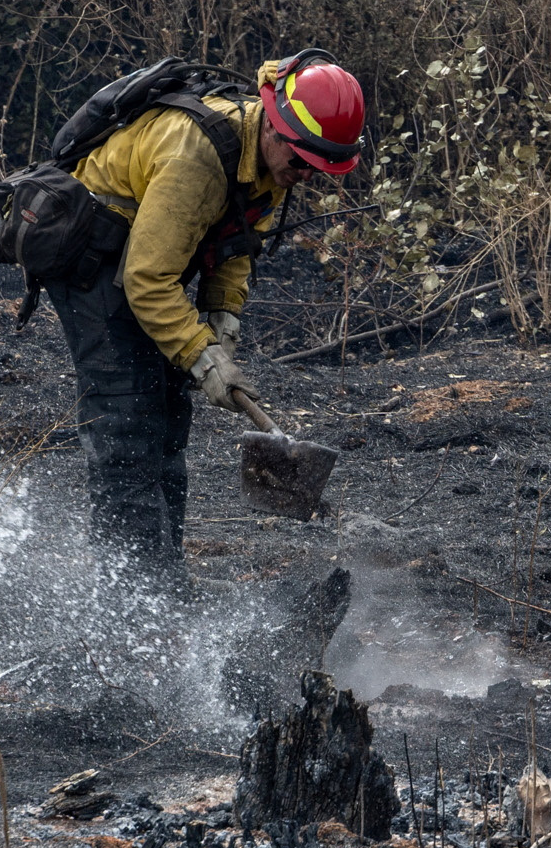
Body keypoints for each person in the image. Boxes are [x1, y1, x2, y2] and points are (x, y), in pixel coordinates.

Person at [47, 50, 364, 581]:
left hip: (148, 261)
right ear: (276, 127)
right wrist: (202, 356)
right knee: (127, 425)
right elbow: (146, 280)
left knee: (169, 420)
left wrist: (221, 322)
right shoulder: (197, 157)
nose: (307, 175)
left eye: (320, 168)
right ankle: (131, 602)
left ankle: (165, 579)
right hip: (94, 259)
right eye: (304, 160)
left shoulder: (262, 159)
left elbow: (235, 245)